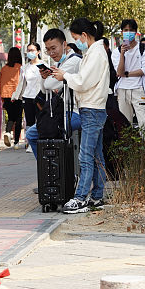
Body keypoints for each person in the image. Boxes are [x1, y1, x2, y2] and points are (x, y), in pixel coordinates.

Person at [51, 18, 110, 213]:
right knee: (96, 156)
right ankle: (97, 196)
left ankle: (80, 198)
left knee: (86, 156)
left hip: (92, 109)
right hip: (94, 108)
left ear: (84, 35)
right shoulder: (94, 52)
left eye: (77, 38)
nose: (78, 42)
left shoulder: (95, 54)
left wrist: (65, 76)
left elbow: (84, 81)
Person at [25, 28, 82, 157]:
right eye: (48, 49)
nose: (51, 53)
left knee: (37, 133)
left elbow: (50, 84)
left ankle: (52, 168)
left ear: (64, 44)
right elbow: (45, 89)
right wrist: (44, 76)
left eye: (53, 48)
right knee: (32, 134)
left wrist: (48, 79)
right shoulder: (61, 63)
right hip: (62, 111)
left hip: (76, 112)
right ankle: (47, 169)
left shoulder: (73, 61)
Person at [114, 19, 145, 129]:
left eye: (131, 30)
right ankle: (129, 145)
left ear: (135, 32)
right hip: (122, 90)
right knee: (125, 125)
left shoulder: (144, 48)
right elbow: (119, 72)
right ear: (121, 32)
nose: (128, 32)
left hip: (138, 89)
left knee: (143, 123)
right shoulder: (117, 51)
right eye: (125, 30)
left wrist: (126, 74)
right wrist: (122, 54)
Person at [18, 43, 44, 147]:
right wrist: (16, 95)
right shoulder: (24, 68)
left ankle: (40, 139)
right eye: (28, 50)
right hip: (27, 96)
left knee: (41, 119)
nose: (30, 52)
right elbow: (21, 83)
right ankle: (29, 143)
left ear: (38, 51)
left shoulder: (43, 65)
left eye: (32, 50)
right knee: (29, 120)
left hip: (39, 96)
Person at [0, 47, 24, 147]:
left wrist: (2, 98)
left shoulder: (4, 69)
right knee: (18, 118)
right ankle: (16, 142)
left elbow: (1, 84)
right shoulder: (20, 68)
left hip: (6, 95)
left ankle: (8, 132)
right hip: (17, 95)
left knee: (10, 117)